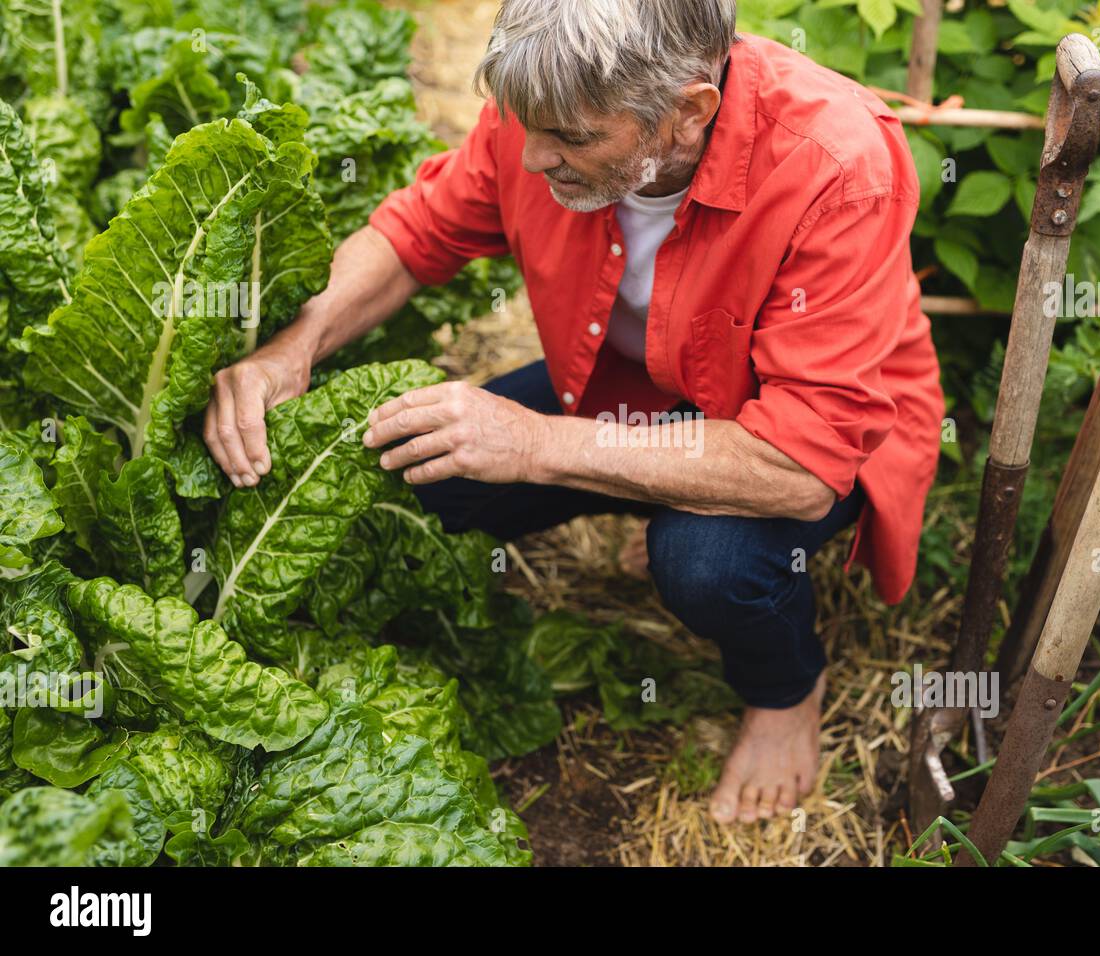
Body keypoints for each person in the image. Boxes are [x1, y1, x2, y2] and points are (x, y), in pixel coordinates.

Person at [202, 0, 944, 826]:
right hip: (620, 392)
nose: (534, 158)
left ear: (688, 113)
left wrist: (534, 444)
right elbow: (417, 234)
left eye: (575, 140)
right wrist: (292, 347)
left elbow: (804, 465)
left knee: (707, 562)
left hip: (783, 428)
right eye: (527, 127)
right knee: (401, 478)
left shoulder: (837, 164)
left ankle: (784, 694)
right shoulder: (546, 115)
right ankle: (635, 481)